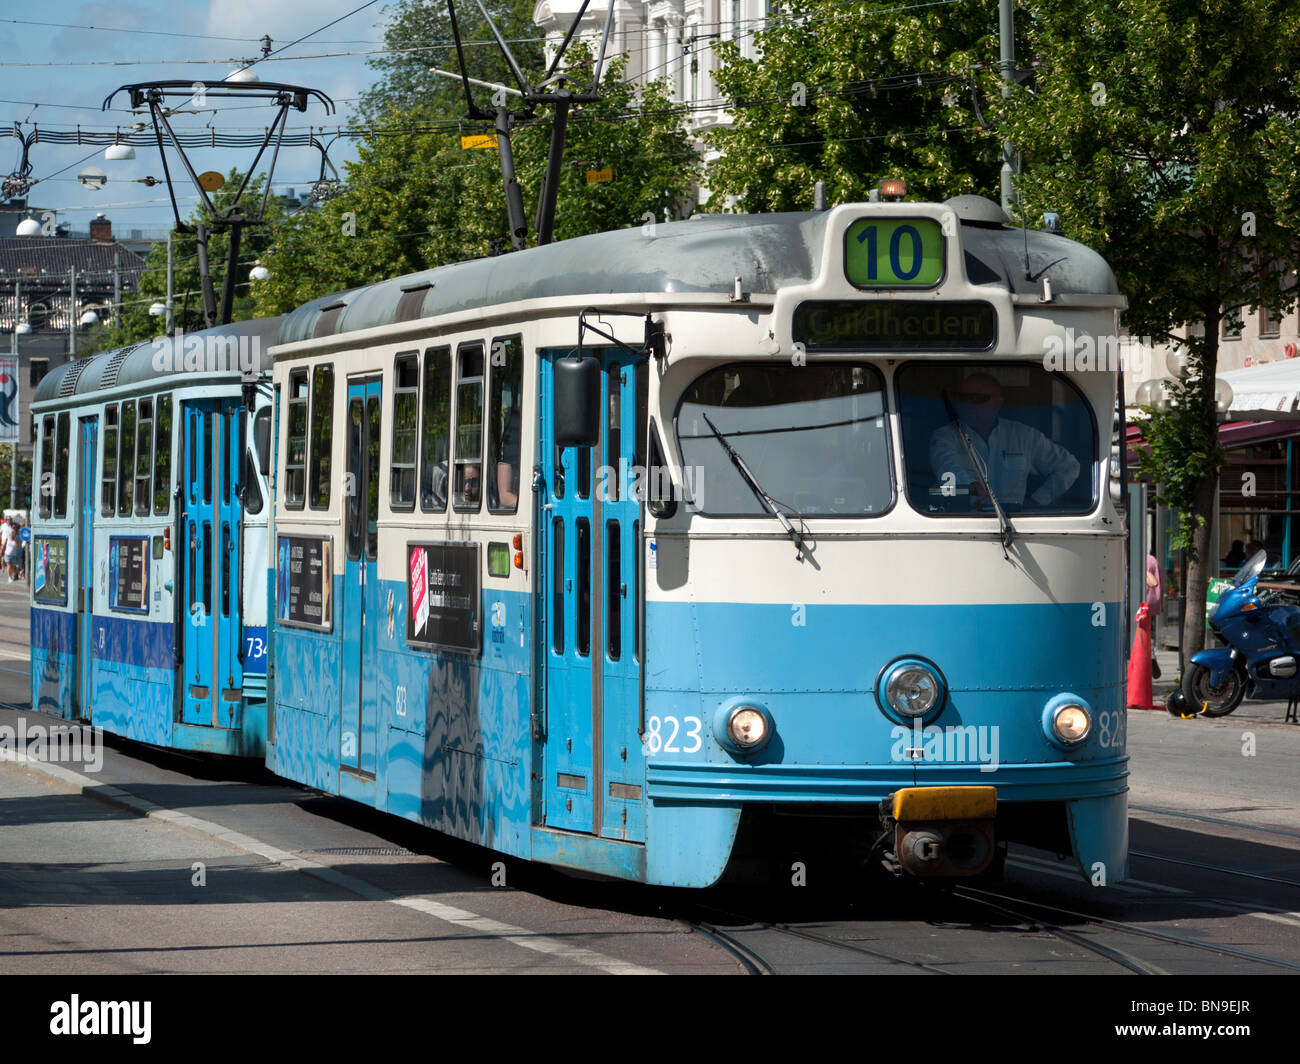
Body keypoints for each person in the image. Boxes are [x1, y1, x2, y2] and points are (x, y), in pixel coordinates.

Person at [929, 372, 1081, 509]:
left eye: (979, 399)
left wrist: (1037, 501)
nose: (970, 404)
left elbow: (1069, 466)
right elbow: (947, 465)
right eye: (965, 398)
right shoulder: (945, 437)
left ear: (998, 403)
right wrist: (973, 487)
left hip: (1016, 527)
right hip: (964, 524)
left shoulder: (1024, 436)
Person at [1145, 554, 1164, 678]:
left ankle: (1150, 657)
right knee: (1149, 634)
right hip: (1152, 603)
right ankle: (1151, 656)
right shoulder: (1152, 559)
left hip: (1143, 602)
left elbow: (1153, 582)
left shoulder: (1142, 560)